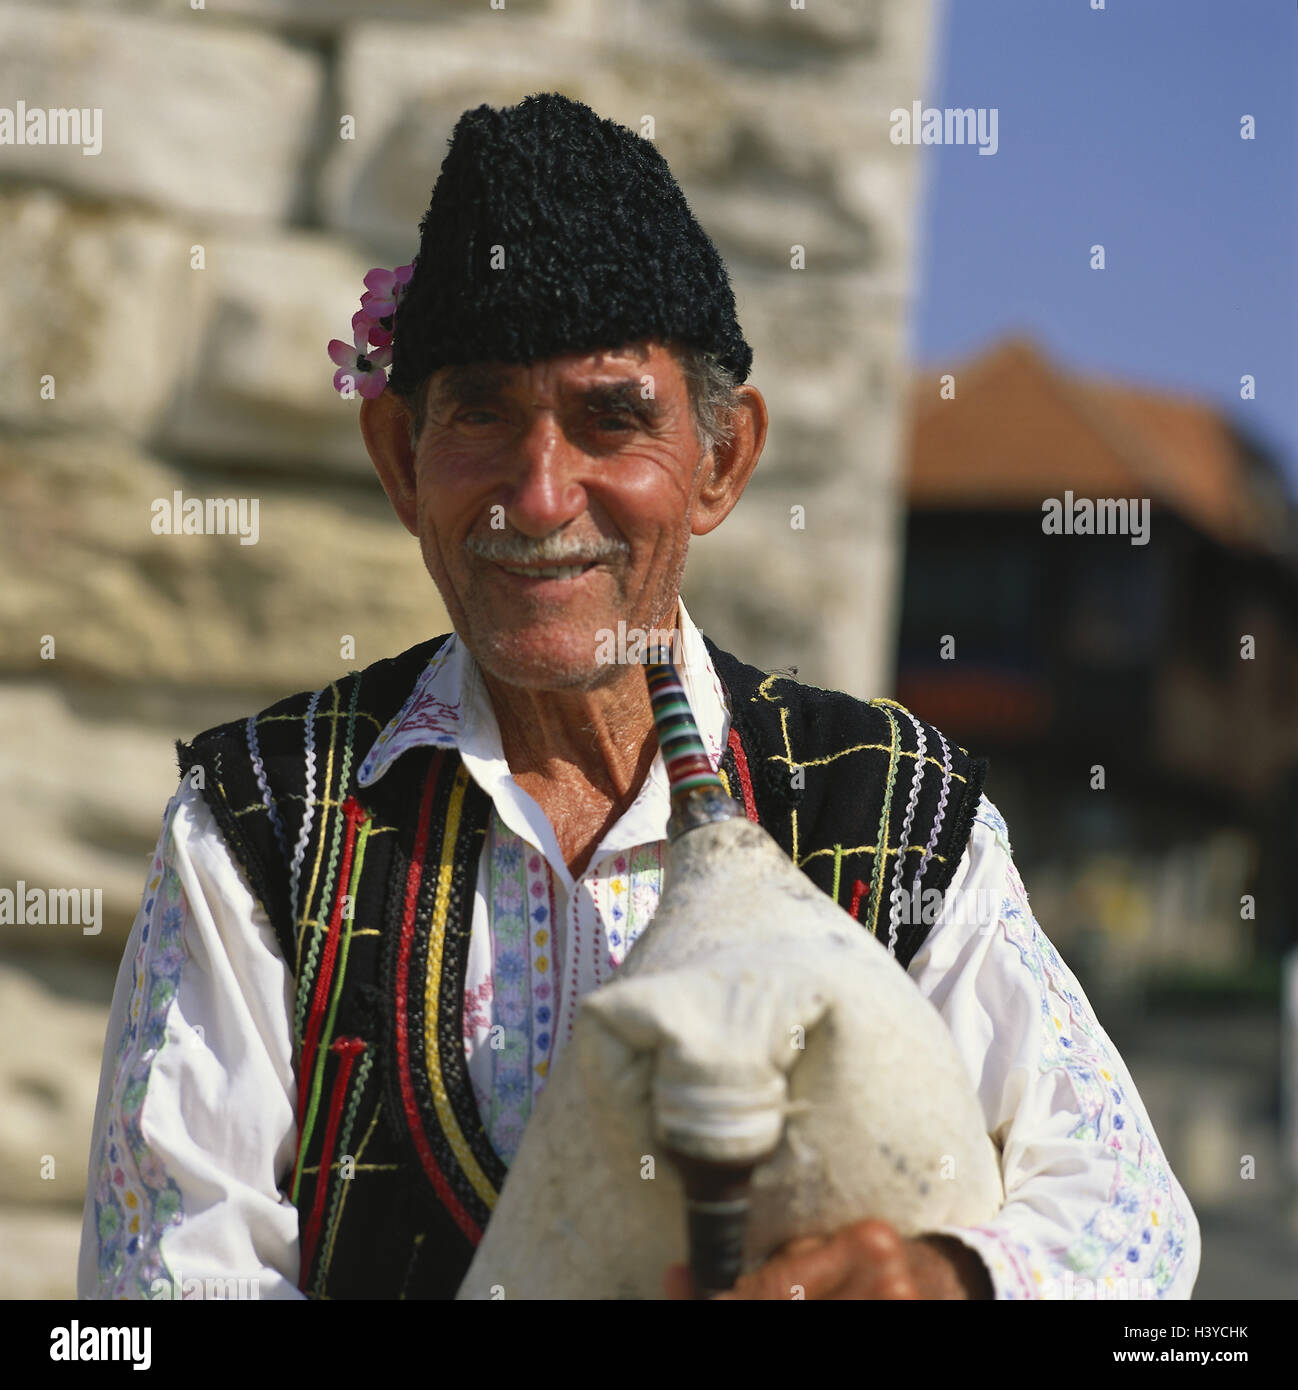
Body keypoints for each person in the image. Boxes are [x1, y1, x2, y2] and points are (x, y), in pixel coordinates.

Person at [79, 91, 1199, 1301]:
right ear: (401, 458)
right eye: (482, 415)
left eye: (613, 420)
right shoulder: (260, 825)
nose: (543, 493)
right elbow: (156, 1291)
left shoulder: (889, 806)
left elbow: (1129, 1221)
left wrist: (944, 1279)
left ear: (720, 460)